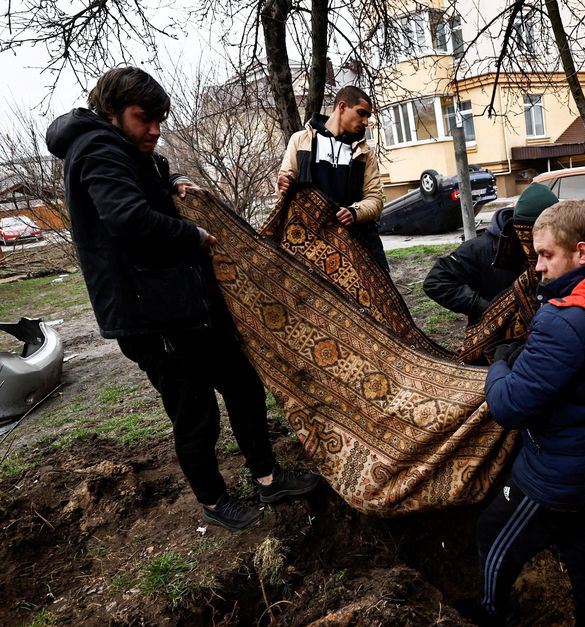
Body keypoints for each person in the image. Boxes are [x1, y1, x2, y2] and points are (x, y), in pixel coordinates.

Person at [45, 67, 320, 532]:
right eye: (144, 118)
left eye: (160, 119)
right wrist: (192, 234)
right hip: (148, 315)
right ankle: (213, 500)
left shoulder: (126, 146)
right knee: (195, 410)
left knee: (242, 383)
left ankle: (268, 477)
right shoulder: (96, 147)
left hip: (182, 302)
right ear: (112, 112)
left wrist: (178, 180)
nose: (155, 129)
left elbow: (157, 178)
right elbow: (128, 218)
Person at [457, 199, 585, 627]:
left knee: (493, 534)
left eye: (546, 255)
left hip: (557, 481)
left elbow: (509, 405)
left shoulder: (563, 323)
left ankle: (492, 612)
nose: (537, 269)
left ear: (582, 252)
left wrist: (500, 363)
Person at [277, 86, 387, 270]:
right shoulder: (300, 140)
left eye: (368, 116)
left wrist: (354, 212)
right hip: (312, 245)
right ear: (342, 106)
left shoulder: (365, 153)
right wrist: (283, 184)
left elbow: (375, 198)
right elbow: (285, 184)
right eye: (362, 113)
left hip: (358, 244)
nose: (366, 122)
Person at [421, 183, 558, 326]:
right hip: (495, 340)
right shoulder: (479, 248)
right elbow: (436, 282)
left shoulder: (564, 248)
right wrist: (486, 308)